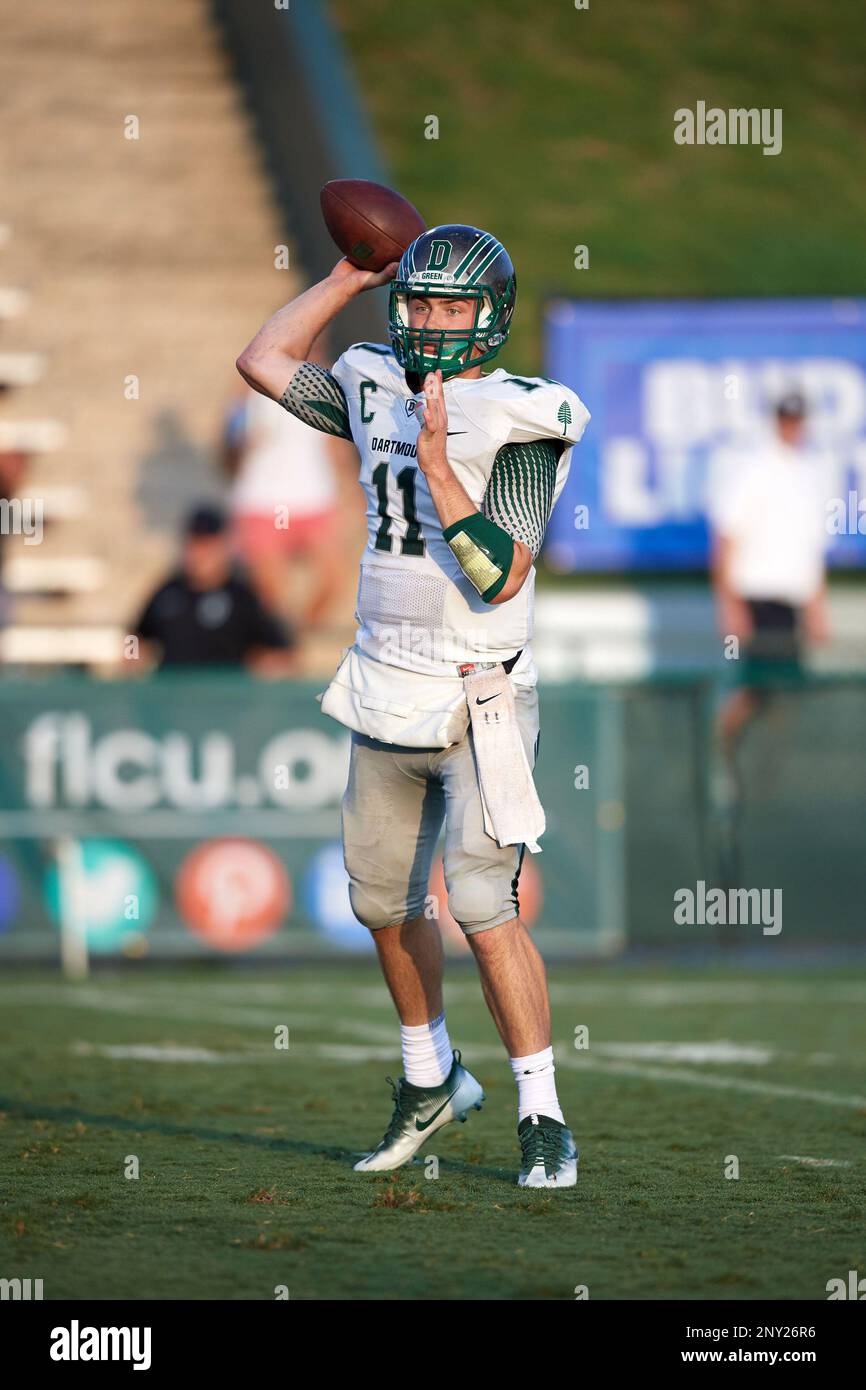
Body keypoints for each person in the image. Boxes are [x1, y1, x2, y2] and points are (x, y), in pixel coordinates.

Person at [236, 225, 590, 1188]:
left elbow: (497, 572)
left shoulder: (523, 416)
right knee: (380, 903)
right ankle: (429, 1078)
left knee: (481, 902)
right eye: (417, 304)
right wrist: (347, 276)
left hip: (482, 691)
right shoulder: (368, 377)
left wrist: (437, 463)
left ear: (492, 319)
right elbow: (263, 359)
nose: (428, 324)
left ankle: (542, 1111)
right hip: (383, 682)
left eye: (450, 308)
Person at [709, 391, 830, 753]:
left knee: (785, 693)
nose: (792, 427)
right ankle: (717, 765)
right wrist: (729, 606)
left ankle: (768, 780)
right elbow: (726, 539)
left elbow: (809, 550)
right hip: (756, 600)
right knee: (755, 689)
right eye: (787, 419)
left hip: (790, 602)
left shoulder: (810, 473)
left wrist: (816, 608)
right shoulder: (754, 468)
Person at [222, 381, 352, 627]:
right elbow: (227, 452)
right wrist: (240, 444)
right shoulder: (247, 390)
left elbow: (334, 444)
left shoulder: (320, 383)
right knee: (270, 595)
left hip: (314, 498)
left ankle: (291, 641)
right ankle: (280, 648)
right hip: (262, 500)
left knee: (335, 581)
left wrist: (351, 488)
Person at [134, 503, 297, 675]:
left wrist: (261, 665)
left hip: (227, 698)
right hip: (173, 695)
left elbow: (282, 651)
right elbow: (136, 637)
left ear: (223, 547)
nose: (201, 554)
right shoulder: (168, 591)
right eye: (196, 544)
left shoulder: (243, 595)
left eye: (208, 545)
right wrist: (133, 656)